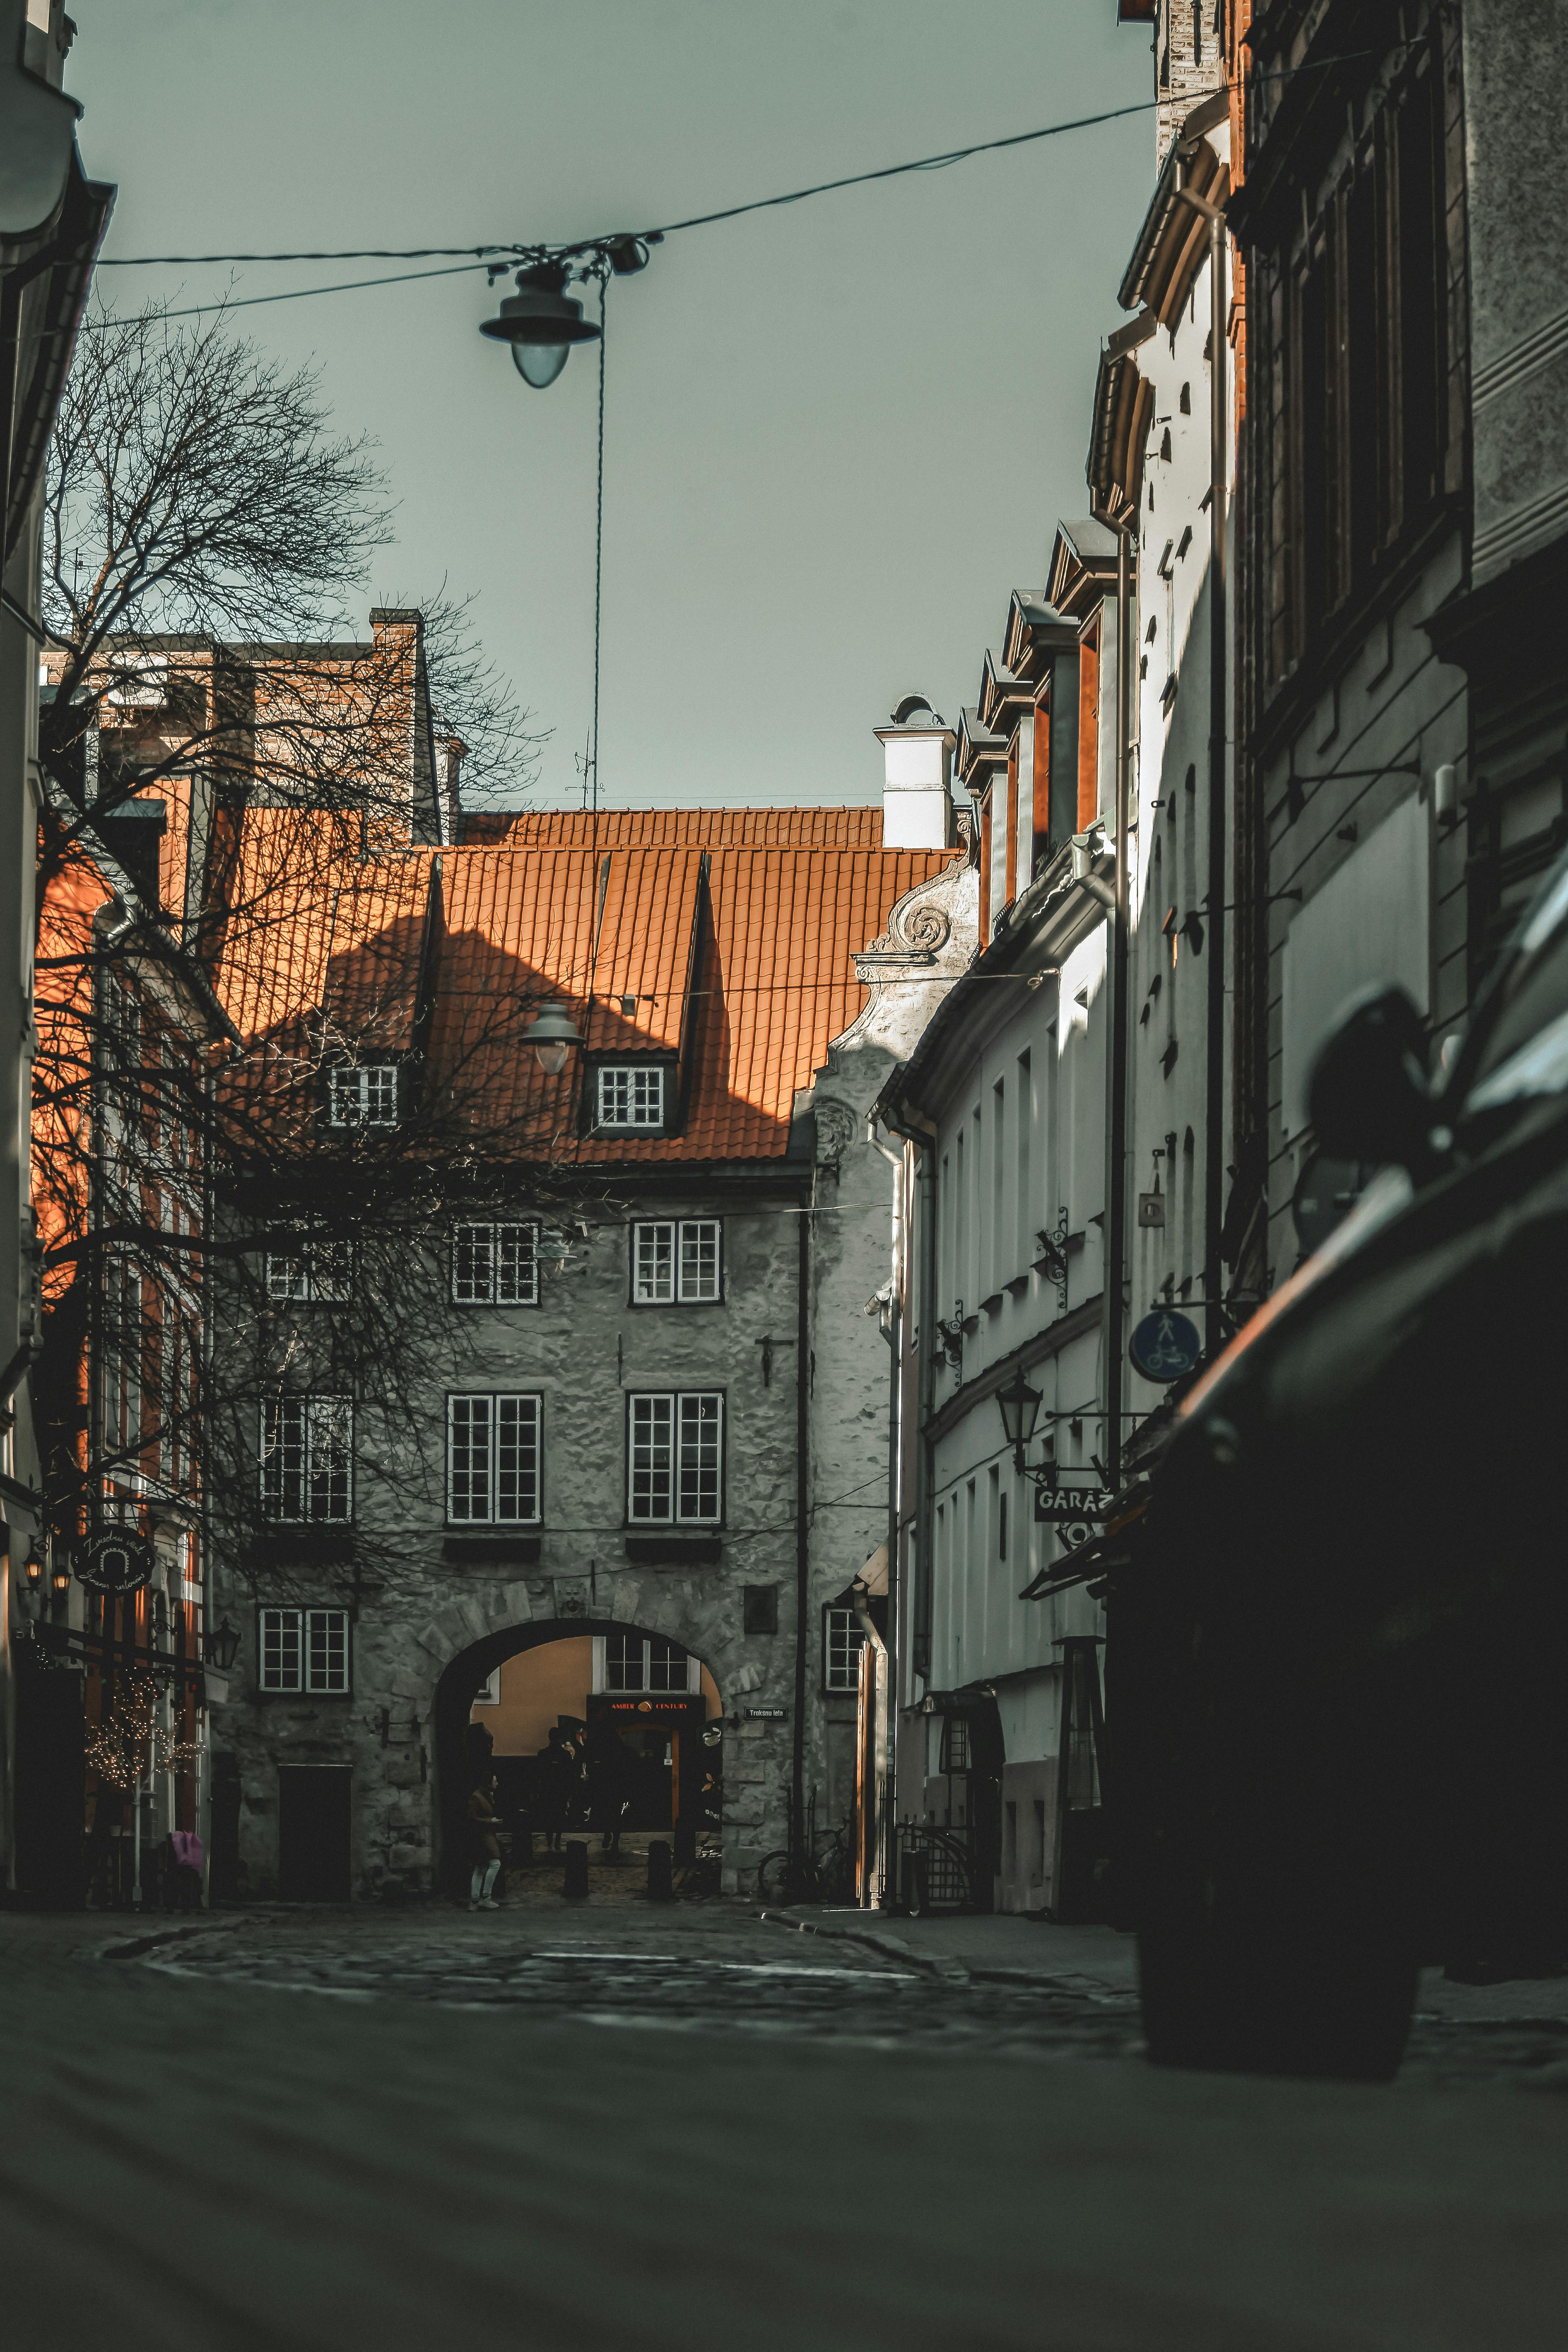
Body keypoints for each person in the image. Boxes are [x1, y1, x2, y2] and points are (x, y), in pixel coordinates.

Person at [533, 1725, 572, 1853]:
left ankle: (550, 1843)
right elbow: (569, 1775)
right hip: (561, 1791)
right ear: (561, 1738)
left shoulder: (543, 1754)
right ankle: (558, 1842)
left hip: (547, 1790)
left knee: (548, 1818)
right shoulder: (566, 1755)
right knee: (560, 1817)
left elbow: (538, 1774)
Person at [467, 1775, 503, 1910]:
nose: (497, 1783)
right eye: (495, 1781)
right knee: (495, 1863)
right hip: (482, 1836)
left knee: (481, 1867)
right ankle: (486, 1897)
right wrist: (490, 1821)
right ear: (488, 1783)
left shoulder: (484, 1795)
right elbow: (472, 1818)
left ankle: (475, 1901)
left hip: (483, 1835)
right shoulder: (477, 1797)